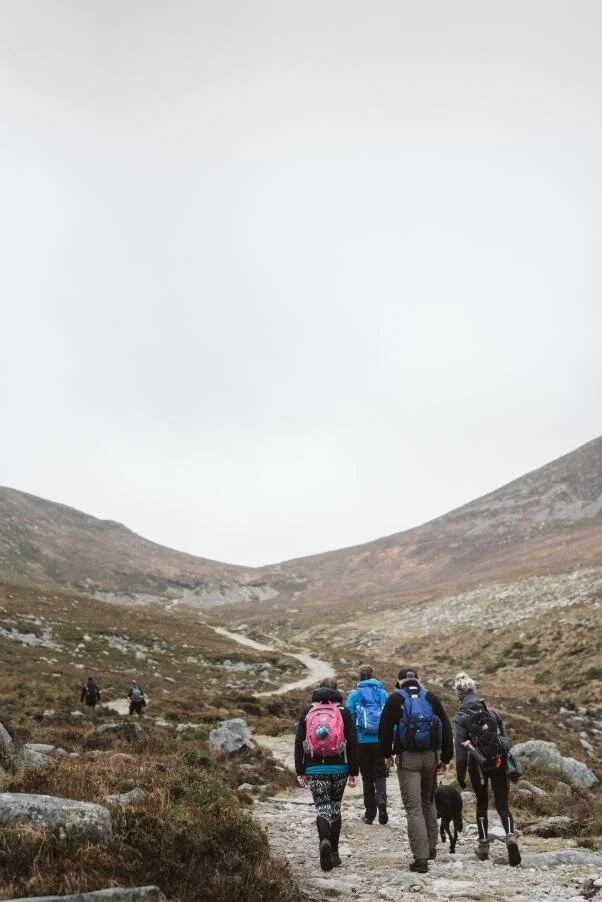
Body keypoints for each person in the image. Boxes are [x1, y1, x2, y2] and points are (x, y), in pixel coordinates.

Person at [379, 667, 453, 873]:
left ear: (399, 681)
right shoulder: (430, 696)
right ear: (418, 680)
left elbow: (384, 729)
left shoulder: (396, 699)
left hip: (408, 759)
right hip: (431, 758)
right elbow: (446, 727)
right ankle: (431, 848)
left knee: (413, 808)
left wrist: (387, 755)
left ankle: (420, 859)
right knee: (428, 802)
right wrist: (445, 757)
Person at [453, 672, 521, 866]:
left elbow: (460, 748)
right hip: (499, 762)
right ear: (474, 690)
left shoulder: (461, 717)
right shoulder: (492, 713)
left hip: (478, 767)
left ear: (458, 695)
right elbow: (505, 741)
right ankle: (510, 836)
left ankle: (483, 847)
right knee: (503, 805)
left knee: (482, 804)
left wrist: (460, 774)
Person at [295, 678, 359, 871]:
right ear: (336, 691)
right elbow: (353, 742)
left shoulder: (308, 712)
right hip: (339, 768)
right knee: (335, 808)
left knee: (322, 808)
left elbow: (299, 742)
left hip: (314, 768)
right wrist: (354, 771)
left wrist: (300, 770)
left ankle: (324, 841)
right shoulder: (343, 711)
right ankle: (334, 853)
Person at [345, 664, 389, 824]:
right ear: (372, 676)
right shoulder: (383, 693)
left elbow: (348, 718)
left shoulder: (354, 694)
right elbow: (390, 719)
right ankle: (382, 801)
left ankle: (370, 814)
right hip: (380, 741)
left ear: (360, 676)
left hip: (361, 741)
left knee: (367, 777)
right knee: (380, 775)